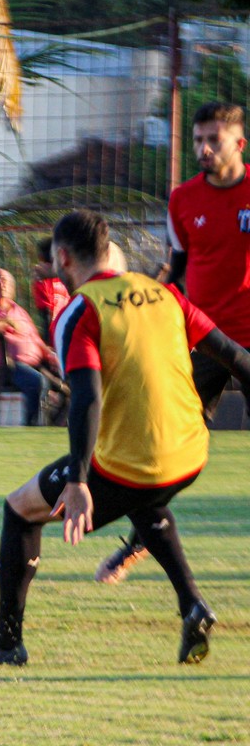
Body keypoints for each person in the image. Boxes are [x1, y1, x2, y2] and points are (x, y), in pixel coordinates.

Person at [0, 210, 250, 667]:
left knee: (20, 510)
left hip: (135, 460)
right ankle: (193, 605)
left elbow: (86, 398)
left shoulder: (80, 310)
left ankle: (6, 643)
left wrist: (78, 480)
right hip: (190, 453)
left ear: (63, 258)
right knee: (144, 498)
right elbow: (236, 356)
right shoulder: (165, 294)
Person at [97, 101, 250, 584]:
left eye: (214, 140)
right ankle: (142, 540)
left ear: (239, 143)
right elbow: (178, 271)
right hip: (204, 341)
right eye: (198, 139)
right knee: (162, 446)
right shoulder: (183, 199)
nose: (203, 149)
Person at [0, 268, 61, 426]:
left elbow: (35, 339)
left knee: (70, 379)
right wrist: (5, 322)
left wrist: (51, 355)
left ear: (12, 288)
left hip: (38, 364)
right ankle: (32, 428)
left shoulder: (20, 311)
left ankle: (57, 426)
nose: (1, 284)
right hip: (7, 367)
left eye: (5, 281)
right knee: (37, 381)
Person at [31, 237, 69, 343]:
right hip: (70, 330)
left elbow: (45, 315)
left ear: (41, 257)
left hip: (55, 336)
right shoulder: (67, 277)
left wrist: (47, 343)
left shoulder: (41, 280)